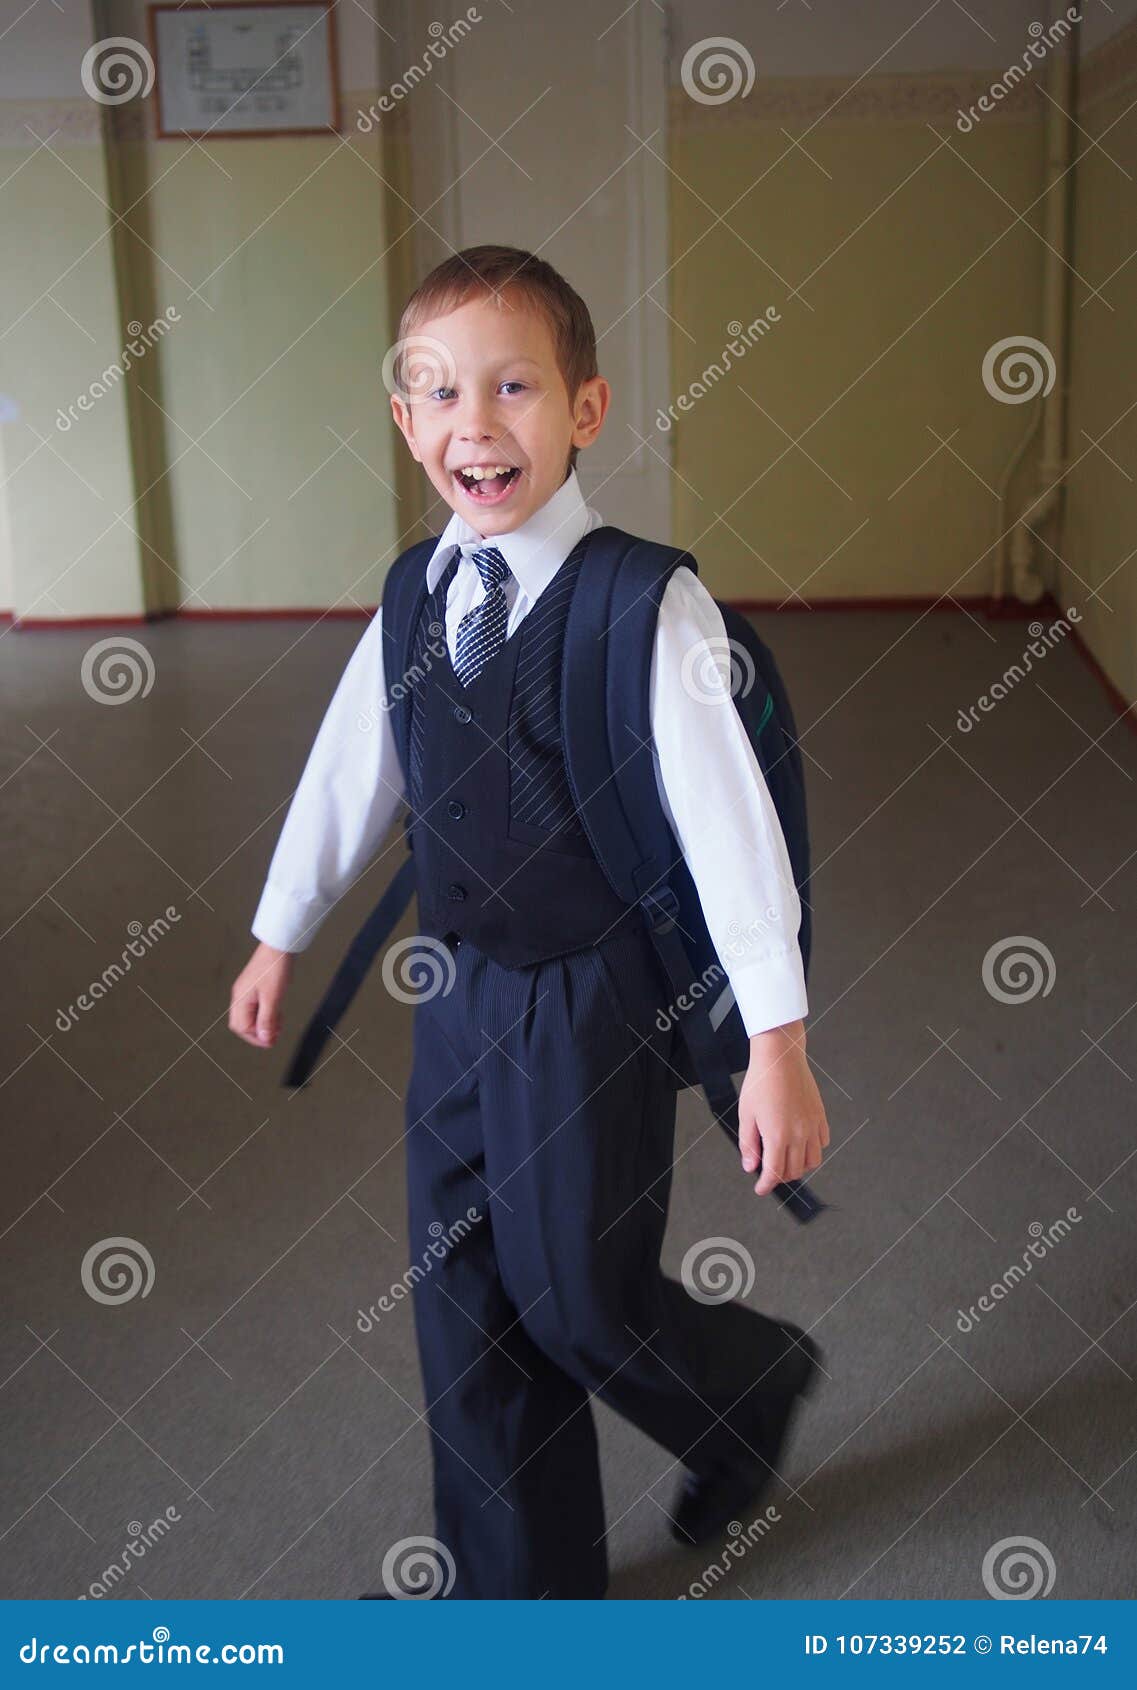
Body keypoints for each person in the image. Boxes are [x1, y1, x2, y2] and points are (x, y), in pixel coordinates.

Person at [229, 245, 830, 1600]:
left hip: (599, 998)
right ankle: (527, 1601)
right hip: (462, 990)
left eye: (512, 386)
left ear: (585, 409)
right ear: (405, 422)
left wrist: (777, 1041)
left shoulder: (642, 601)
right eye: (439, 393)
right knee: (465, 1300)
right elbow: (350, 767)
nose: (475, 423)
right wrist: (281, 929)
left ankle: (744, 1381)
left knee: (575, 1293)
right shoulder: (412, 596)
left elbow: (732, 830)